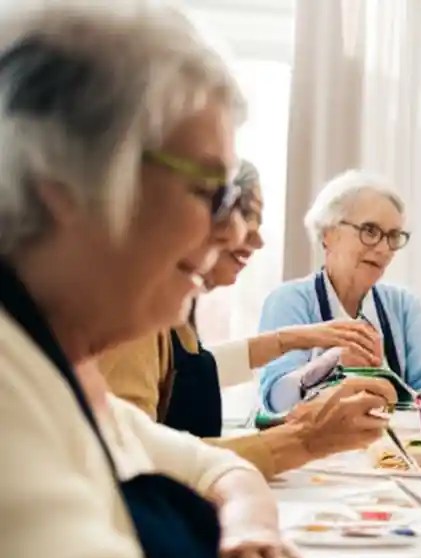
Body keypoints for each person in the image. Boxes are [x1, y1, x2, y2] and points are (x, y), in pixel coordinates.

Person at [0, 5, 421, 558]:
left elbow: (212, 463)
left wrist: (251, 520)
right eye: (208, 190)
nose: (233, 233)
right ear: (60, 184)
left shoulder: (56, 362)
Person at [99, 160, 386, 477]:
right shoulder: (138, 315)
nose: (253, 238)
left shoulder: (173, 312)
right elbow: (132, 462)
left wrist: (295, 339)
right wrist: (302, 439)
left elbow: (186, 373)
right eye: (243, 212)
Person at [258, 169, 421, 413]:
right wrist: (331, 363)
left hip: (392, 448)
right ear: (329, 234)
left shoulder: (403, 305)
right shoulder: (289, 301)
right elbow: (276, 400)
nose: (384, 248)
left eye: (393, 236)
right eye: (370, 231)